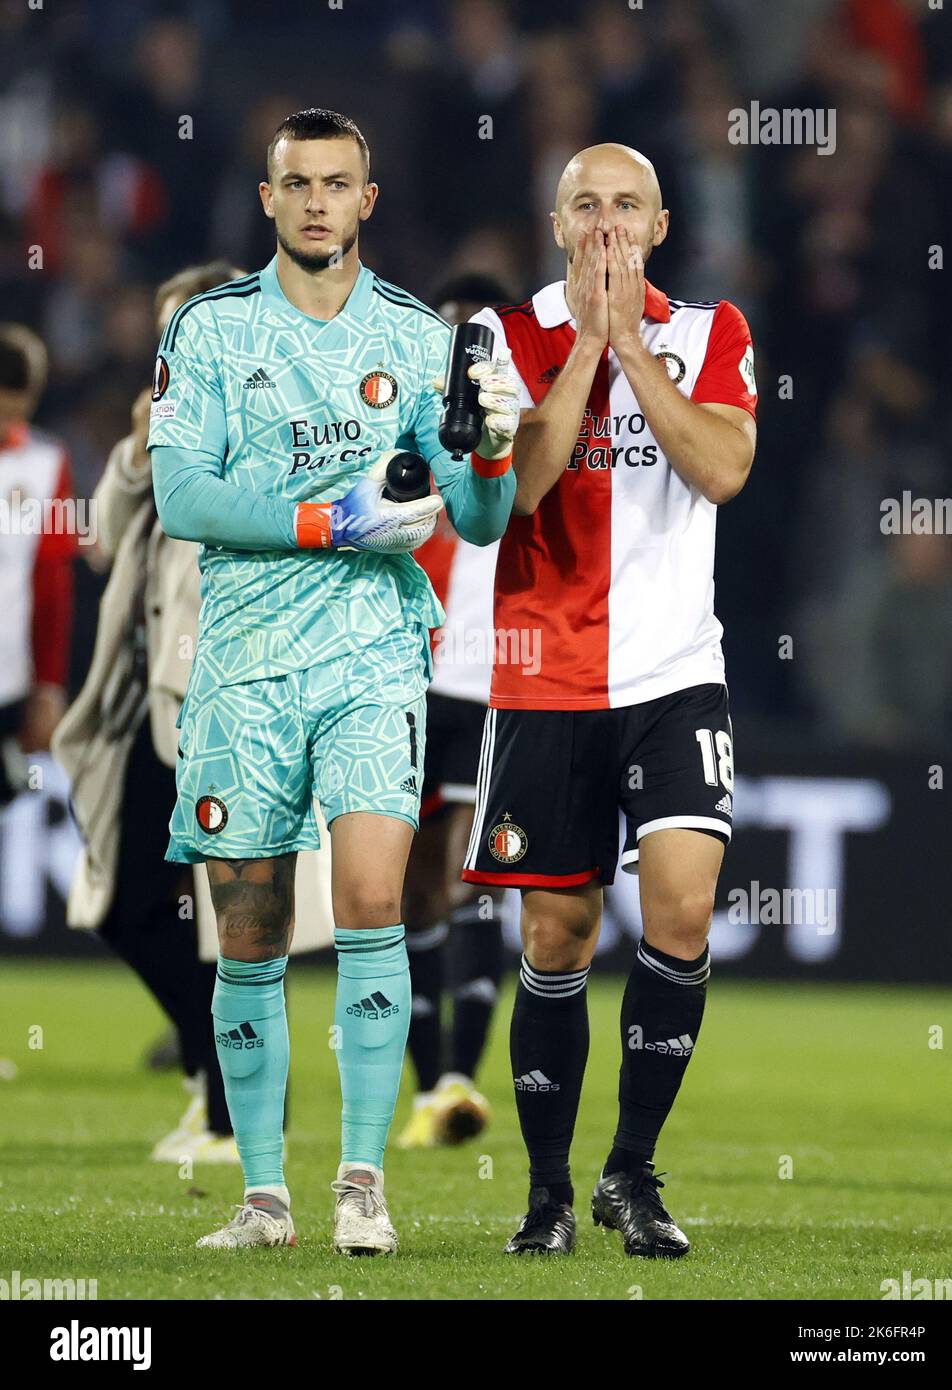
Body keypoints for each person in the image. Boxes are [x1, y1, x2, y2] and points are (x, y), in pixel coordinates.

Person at [147, 109, 519, 1255]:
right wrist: (327, 518)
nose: (317, 201)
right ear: (268, 200)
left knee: (370, 903)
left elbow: (478, 514)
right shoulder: (208, 330)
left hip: (370, 654)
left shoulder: (416, 336)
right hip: (245, 664)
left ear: (368, 199)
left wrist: (498, 447)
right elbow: (183, 498)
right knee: (250, 931)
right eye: (296, 182)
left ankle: (363, 1183)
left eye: (338, 182)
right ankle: (265, 1197)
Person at [461, 143, 758, 1257]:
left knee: (680, 910)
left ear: (661, 224)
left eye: (627, 205)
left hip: (676, 672)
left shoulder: (710, 332)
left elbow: (722, 468)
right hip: (544, 674)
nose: (606, 224)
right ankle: (545, 1190)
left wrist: (633, 343)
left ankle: (631, 1174)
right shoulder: (500, 336)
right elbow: (517, 490)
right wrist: (588, 341)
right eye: (586, 205)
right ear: (556, 225)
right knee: (558, 931)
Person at [54, 262, 245, 1164]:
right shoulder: (160, 424)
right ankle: (214, 1084)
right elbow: (99, 543)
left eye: (189, 326)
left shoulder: (257, 419)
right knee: (128, 907)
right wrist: (136, 453)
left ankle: (229, 1109)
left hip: (217, 706)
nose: (172, 347)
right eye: (167, 329)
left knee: (225, 915)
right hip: (144, 706)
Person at [398, 275, 512, 1150]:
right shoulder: (396, 423)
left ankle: (461, 1078)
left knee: (474, 878)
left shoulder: (525, 422)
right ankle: (427, 1082)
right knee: (407, 886)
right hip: (402, 676)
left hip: (489, 681)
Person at [0, 325, 74, 800]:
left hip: (10, 681)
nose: (9, 421)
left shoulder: (47, 464)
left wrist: (48, 685)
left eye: (18, 410)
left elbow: (52, 583)